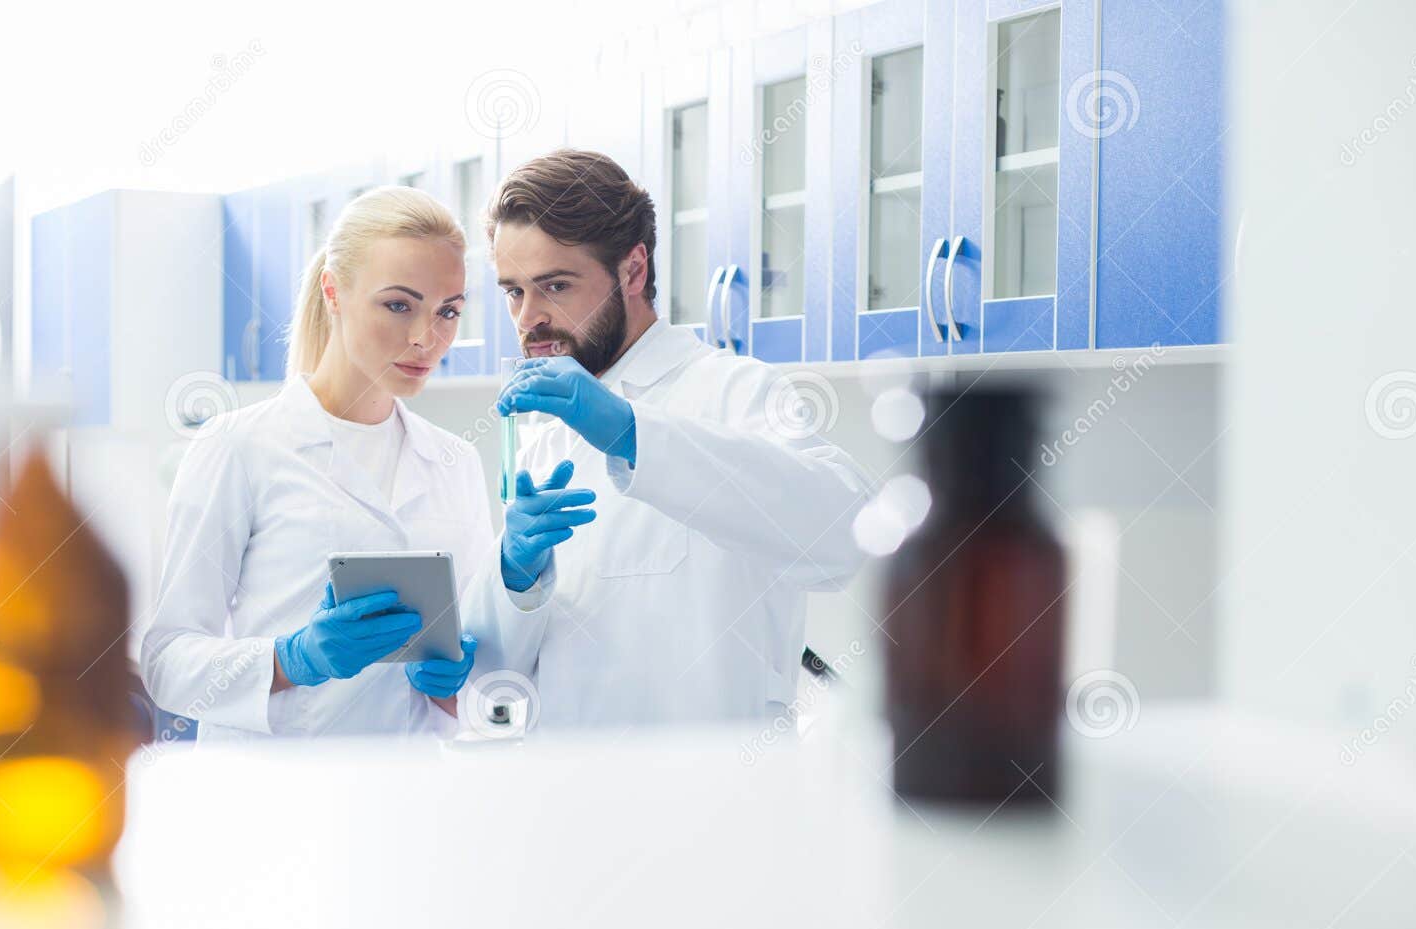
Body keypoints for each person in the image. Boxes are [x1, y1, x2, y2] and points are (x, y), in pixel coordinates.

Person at [460, 149, 872, 730]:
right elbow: (497, 674)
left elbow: (844, 538)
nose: (529, 318)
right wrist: (515, 578)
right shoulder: (544, 440)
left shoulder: (735, 390)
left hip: (715, 795)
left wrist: (633, 435)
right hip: (568, 794)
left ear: (632, 270)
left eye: (555, 285)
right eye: (513, 291)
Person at [142, 187, 495, 740]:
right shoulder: (240, 447)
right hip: (282, 799)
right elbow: (166, 663)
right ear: (334, 290)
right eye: (399, 305)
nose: (427, 338)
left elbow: (479, 672)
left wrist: (460, 686)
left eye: (447, 311)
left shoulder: (457, 462)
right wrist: (293, 659)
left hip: (418, 796)